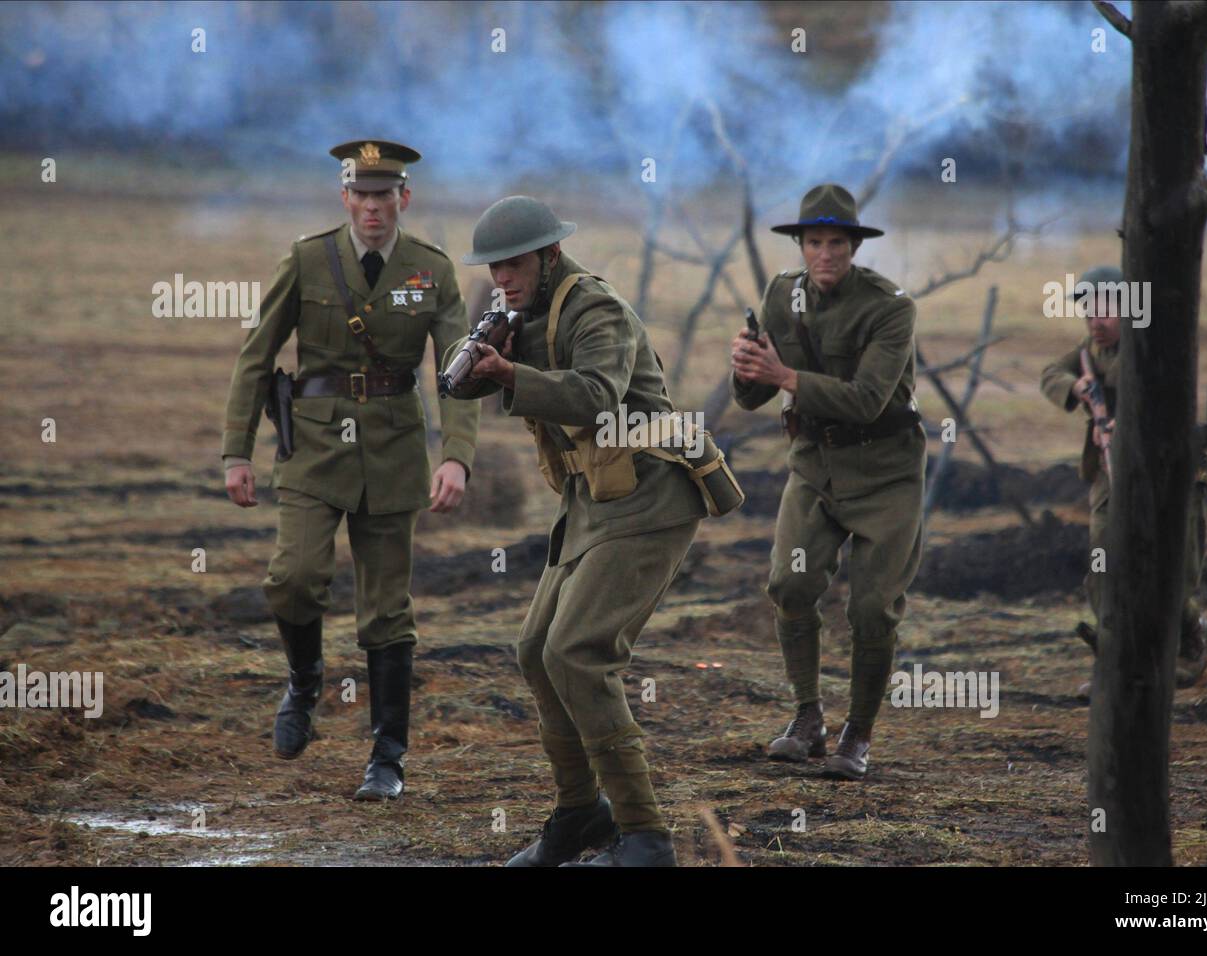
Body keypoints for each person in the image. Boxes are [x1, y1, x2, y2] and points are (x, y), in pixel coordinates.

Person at [447, 195, 707, 866]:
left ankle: (646, 837)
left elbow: (597, 396)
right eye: (493, 267)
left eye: (513, 264)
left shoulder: (597, 311)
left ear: (550, 254)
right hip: (593, 497)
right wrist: (481, 353)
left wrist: (511, 372)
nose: (502, 277)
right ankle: (579, 814)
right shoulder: (518, 312)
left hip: (651, 494)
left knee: (578, 653)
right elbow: (468, 384)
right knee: (536, 650)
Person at [221, 140, 479, 800]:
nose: (372, 207)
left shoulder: (430, 270)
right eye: (360, 196)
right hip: (312, 450)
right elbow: (256, 357)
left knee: (387, 611)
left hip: (393, 456)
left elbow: (457, 371)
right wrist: (236, 452)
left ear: (404, 199)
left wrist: (456, 456)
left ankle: (387, 758)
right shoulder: (309, 259)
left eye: (383, 195)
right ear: (345, 199)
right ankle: (304, 682)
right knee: (295, 578)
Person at [730, 183, 926, 781]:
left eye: (836, 242)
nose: (825, 254)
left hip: (885, 471)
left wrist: (784, 373)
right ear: (800, 245)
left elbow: (868, 400)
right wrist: (746, 367)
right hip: (814, 465)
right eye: (813, 242)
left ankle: (857, 733)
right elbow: (753, 394)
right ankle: (807, 716)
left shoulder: (891, 307)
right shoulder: (780, 295)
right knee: (789, 584)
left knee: (870, 609)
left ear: (853, 246)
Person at [1039, 265, 1207, 691]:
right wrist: (1076, 388)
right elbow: (1051, 373)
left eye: (1105, 311)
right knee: (1103, 561)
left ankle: (1189, 637)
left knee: (1173, 569)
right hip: (1113, 471)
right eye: (1088, 312)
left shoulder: (1152, 346)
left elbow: (1149, 388)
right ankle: (1116, 663)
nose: (1095, 321)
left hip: (1172, 470)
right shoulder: (1090, 352)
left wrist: (1108, 409)